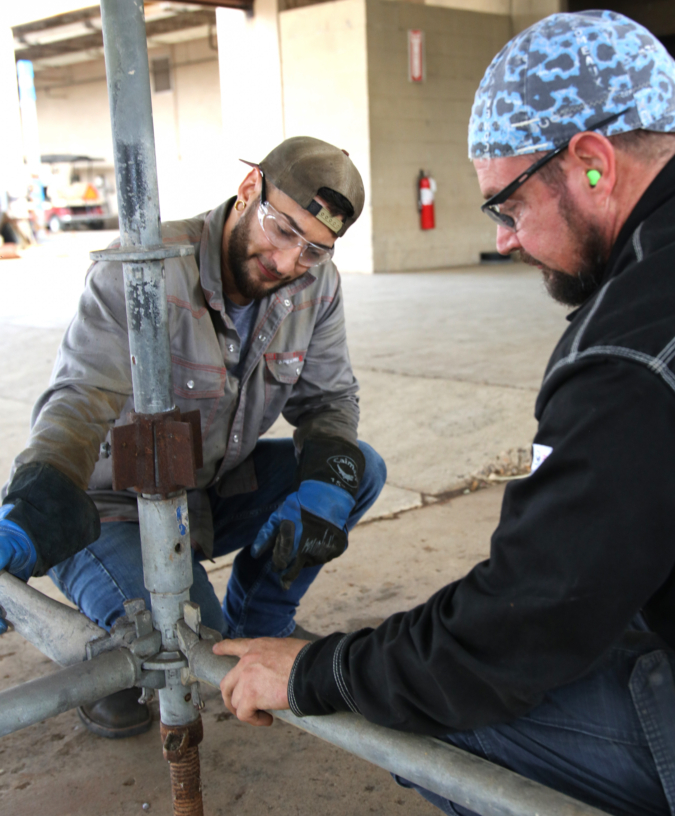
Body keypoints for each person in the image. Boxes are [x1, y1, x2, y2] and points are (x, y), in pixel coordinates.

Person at [213, 13, 675, 816]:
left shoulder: (641, 337)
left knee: (422, 714)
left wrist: (323, 671)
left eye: (506, 204)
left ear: (588, 162)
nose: (502, 239)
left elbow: (522, 626)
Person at [0, 136, 386, 739]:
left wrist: (328, 488)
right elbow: (82, 396)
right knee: (188, 652)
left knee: (355, 468)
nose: (289, 263)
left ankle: (261, 627)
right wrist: (39, 496)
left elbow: (329, 400)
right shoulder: (144, 266)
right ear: (249, 188)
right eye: (283, 232)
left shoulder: (317, 285)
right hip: (113, 511)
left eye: (314, 249)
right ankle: (111, 661)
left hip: (208, 493)